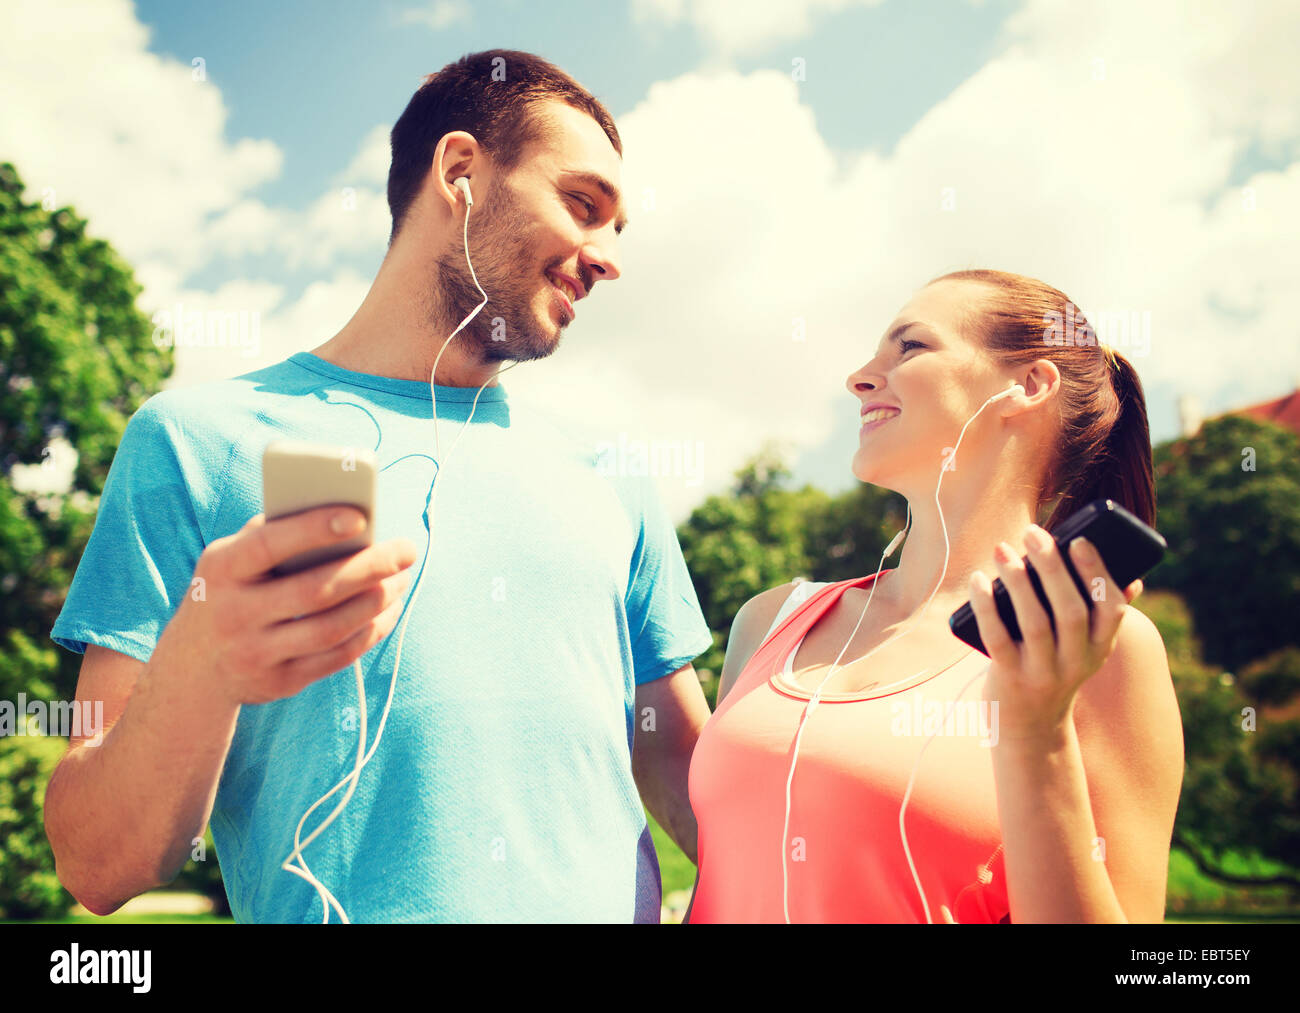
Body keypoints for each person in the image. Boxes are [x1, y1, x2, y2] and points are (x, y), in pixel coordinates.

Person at [45, 49, 714, 923]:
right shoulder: (195, 442)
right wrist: (206, 659)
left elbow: (685, 773)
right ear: (461, 171)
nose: (607, 258)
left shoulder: (612, 472)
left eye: (619, 228)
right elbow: (97, 866)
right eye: (584, 206)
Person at [685, 269, 1185, 923]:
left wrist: (1036, 731)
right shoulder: (772, 620)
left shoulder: (1100, 643)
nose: (860, 376)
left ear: (1026, 385)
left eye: (910, 346)